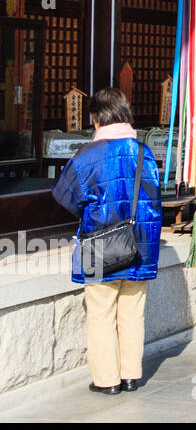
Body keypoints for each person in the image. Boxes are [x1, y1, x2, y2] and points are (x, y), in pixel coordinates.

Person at [52, 87, 162, 395]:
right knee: (132, 310)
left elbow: (65, 196)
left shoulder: (88, 155)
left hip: (100, 246)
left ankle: (106, 379)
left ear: (97, 117)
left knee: (100, 313)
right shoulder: (144, 152)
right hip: (140, 245)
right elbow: (154, 198)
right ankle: (130, 375)